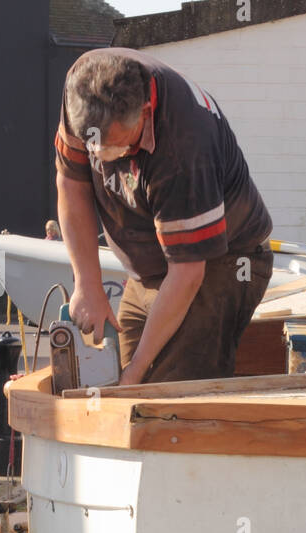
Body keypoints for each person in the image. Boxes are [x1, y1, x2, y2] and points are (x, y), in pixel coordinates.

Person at [54, 47, 273, 385]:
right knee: (122, 386)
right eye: (95, 146)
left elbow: (187, 273)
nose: (104, 158)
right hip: (150, 267)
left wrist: (137, 371)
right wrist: (87, 284)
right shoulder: (81, 87)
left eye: (120, 147)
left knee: (170, 396)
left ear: (144, 112)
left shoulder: (185, 149)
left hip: (220, 262)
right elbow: (72, 183)